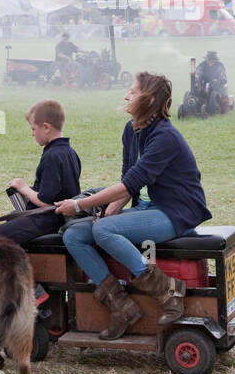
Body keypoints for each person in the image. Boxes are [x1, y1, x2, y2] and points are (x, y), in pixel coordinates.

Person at [55, 72, 211, 340]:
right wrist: (112, 208)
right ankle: (121, 307)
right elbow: (129, 179)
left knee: (103, 231)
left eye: (132, 91)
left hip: (176, 212)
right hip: (147, 209)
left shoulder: (165, 137)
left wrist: (80, 205)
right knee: (74, 236)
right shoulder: (132, 129)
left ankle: (168, 292)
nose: (126, 95)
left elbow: (129, 184)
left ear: (148, 100)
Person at [0, 100, 81, 246]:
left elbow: (45, 202)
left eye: (33, 129)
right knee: (11, 219)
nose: (32, 134)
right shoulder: (70, 152)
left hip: (47, 219)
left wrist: (23, 188)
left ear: (46, 127)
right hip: (61, 218)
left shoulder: (52, 156)